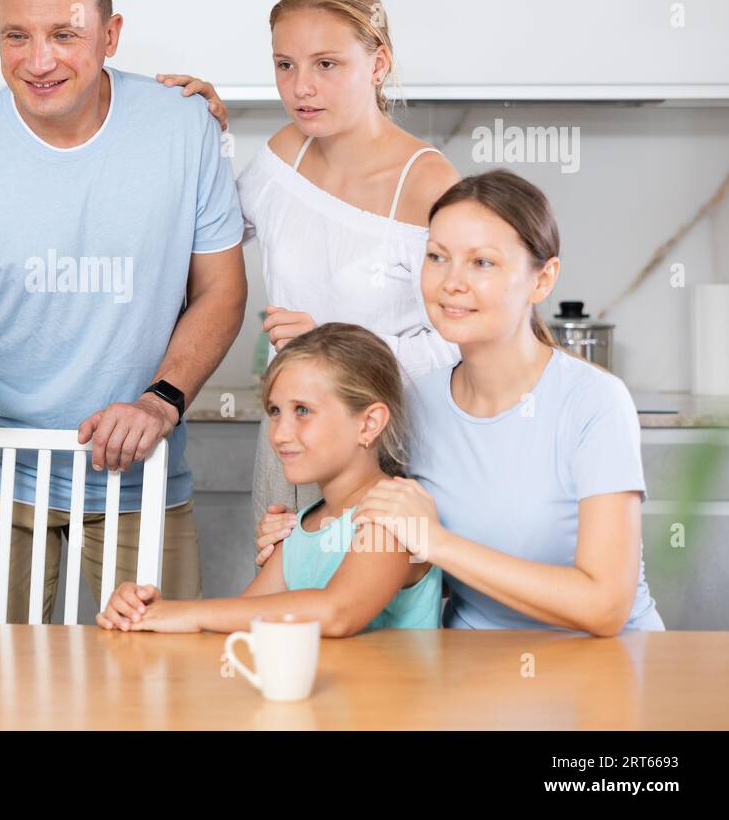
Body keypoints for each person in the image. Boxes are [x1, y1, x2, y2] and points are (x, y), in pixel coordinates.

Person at [0, 0, 246, 622]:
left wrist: (160, 401)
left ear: (110, 34)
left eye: (64, 34)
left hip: (140, 466)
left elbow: (222, 290)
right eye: (16, 36)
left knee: (167, 672)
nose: (39, 61)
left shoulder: (184, 128)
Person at [269, 171, 664, 634]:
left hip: (606, 663)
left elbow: (605, 607)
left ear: (542, 279)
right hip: (469, 662)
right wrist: (300, 543)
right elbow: (397, 552)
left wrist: (436, 542)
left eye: (482, 262)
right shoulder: (416, 402)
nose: (452, 282)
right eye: (437, 257)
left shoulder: (594, 402)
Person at [159, 0, 461, 535]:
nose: (300, 87)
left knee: (372, 590)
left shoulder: (428, 184)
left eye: (326, 64)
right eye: (285, 65)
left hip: (390, 451)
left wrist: (334, 349)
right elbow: (197, 233)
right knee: (280, 586)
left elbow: (464, 342)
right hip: (289, 444)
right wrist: (193, 134)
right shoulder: (285, 156)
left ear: (377, 63)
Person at [98, 323, 440, 635]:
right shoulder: (298, 530)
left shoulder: (394, 515)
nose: (280, 433)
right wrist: (145, 612)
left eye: (303, 410)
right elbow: (238, 623)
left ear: (368, 424)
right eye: (275, 411)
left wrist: (187, 613)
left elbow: (337, 612)